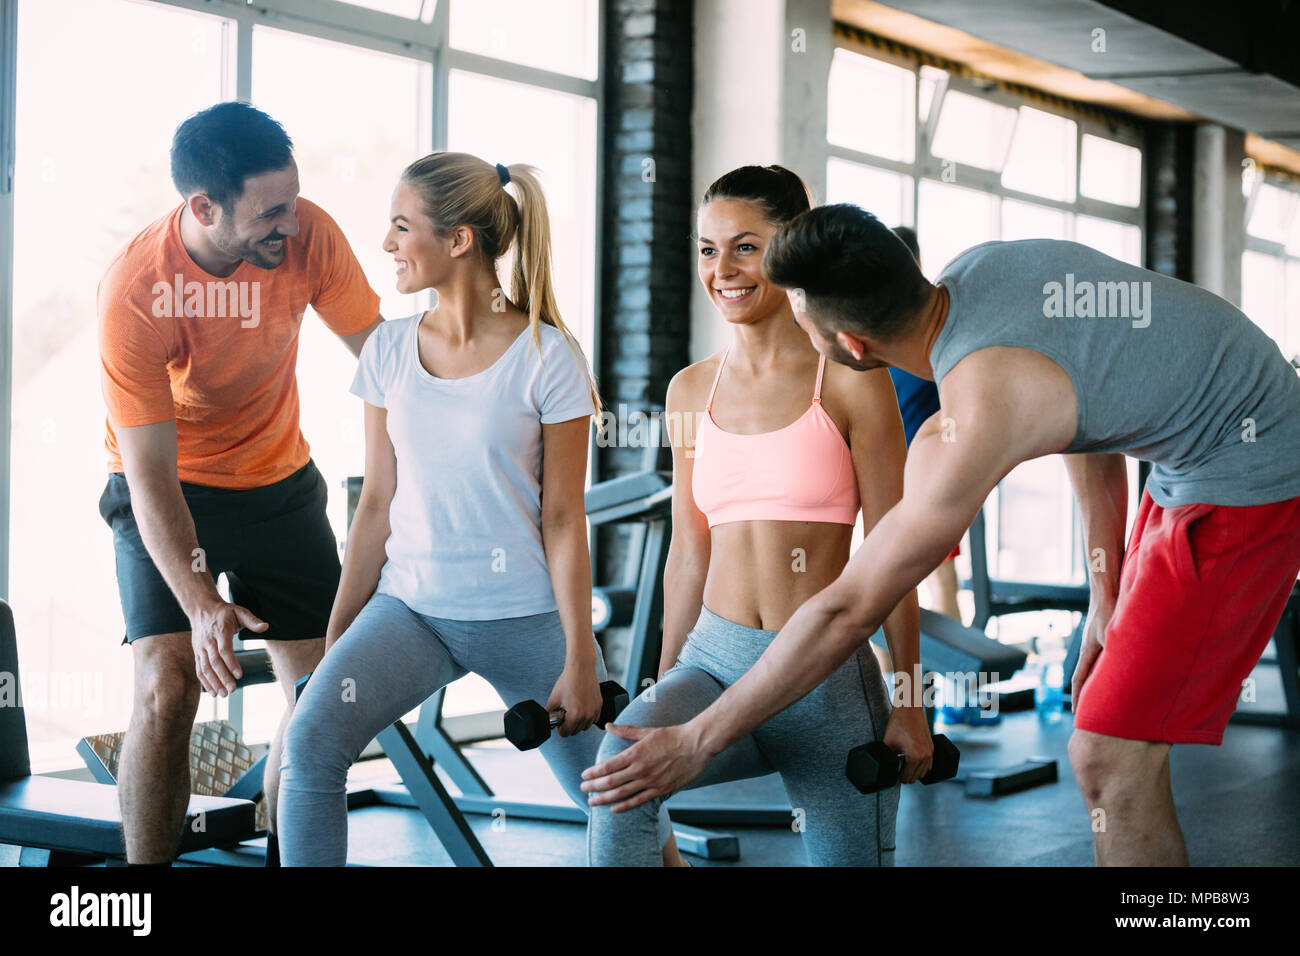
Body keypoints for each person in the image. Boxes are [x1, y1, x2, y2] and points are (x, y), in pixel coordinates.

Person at [582, 203, 1300, 866]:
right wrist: (1104, 595)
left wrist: (701, 737)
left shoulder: (979, 414)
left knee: (1110, 757)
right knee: (1108, 739)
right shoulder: (982, 272)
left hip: (1251, 475)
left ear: (852, 345)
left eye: (804, 324)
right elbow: (1093, 406)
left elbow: (847, 607)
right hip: (1197, 448)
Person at [276, 152, 674, 866]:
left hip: (522, 616)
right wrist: (337, 639)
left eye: (402, 228)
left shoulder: (548, 357)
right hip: (413, 612)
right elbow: (375, 507)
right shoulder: (389, 350)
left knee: (620, 793)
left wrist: (583, 657)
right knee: (310, 739)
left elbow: (563, 519)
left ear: (459, 240)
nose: (388, 245)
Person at [587, 167, 915, 866]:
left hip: (826, 679)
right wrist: (664, 682)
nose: (723, 270)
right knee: (618, 783)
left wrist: (911, 701)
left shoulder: (855, 376)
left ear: (792, 247)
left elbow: (898, 550)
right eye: (708, 250)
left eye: (745, 247)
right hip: (714, 663)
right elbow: (687, 552)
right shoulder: (691, 390)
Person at [97, 102, 384, 865]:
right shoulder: (137, 291)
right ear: (202, 207)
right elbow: (151, 475)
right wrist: (201, 605)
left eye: (291, 203)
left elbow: (382, 361)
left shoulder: (308, 232)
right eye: (269, 214)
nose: (289, 227)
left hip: (277, 483)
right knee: (168, 686)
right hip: (170, 491)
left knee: (321, 697)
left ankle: (286, 835)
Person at [887, 226, 961, 621]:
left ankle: (957, 682)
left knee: (942, 579)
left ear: (916, 263)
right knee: (886, 586)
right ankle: (891, 681)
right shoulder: (880, 327)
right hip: (887, 477)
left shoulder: (935, 325)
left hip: (932, 478)